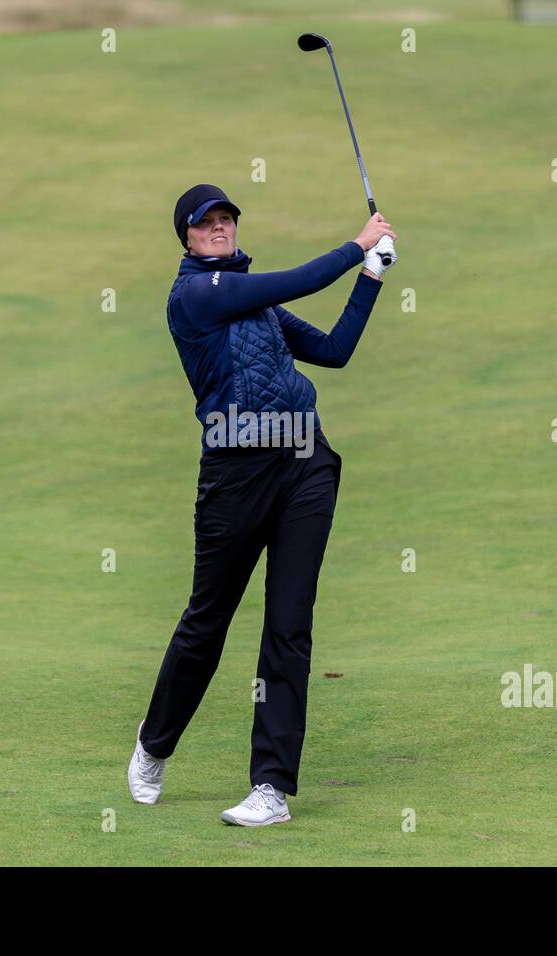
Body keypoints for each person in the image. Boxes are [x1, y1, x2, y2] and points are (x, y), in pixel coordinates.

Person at [128, 183, 398, 826]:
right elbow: (294, 280)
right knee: (208, 623)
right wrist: (355, 243)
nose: (219, 228)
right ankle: (154, 743)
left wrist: (371, 275)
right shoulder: (194, 296)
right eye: (206, 223)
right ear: (187, 238)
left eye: (226, 219)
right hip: (234, 474)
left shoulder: (261, 310)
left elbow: (334, 352)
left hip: (305, 464)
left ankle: (270, 787)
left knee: (288, 625)